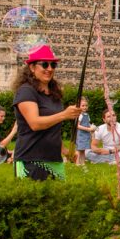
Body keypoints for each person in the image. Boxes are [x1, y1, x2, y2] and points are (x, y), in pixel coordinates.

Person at [12, 45, 82, 181]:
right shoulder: (26, 91)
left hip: (54, 160)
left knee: (57, 201)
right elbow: (35, 123)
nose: (49, 69)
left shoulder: (54, 94)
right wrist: (64, 115)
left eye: (53, 65)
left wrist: (66, 151)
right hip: (30, 159)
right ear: (32, 68)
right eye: (44, 64)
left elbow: (52, 129)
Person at [73, 97, 94, 166]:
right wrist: (88, 129)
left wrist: (92, 127)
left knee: (83, 149)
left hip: (86, 135)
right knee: (79, 149)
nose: (85, 107)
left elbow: (88, 124)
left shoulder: (87, 115)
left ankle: (82, 162)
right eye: (83, 106)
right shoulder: (80, 115)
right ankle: (77, 162)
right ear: (79, 107)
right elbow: (77, 126)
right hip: (81, 135)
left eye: (86, 105)